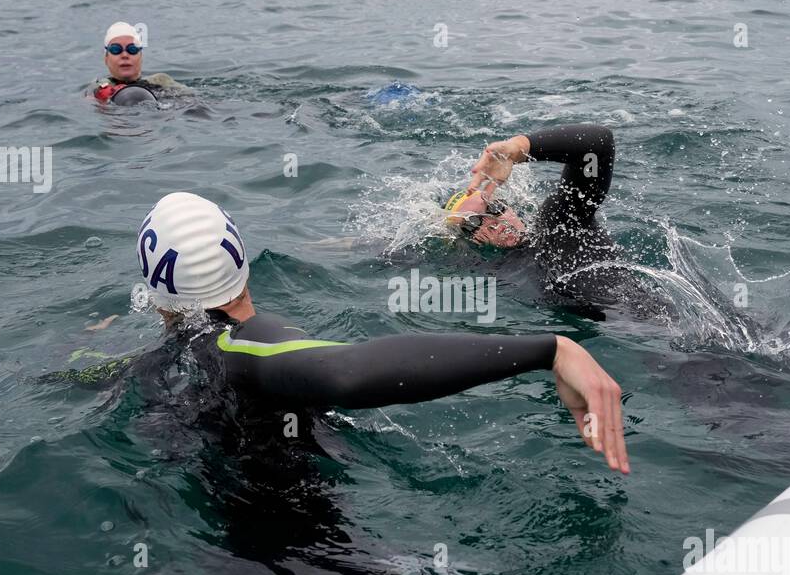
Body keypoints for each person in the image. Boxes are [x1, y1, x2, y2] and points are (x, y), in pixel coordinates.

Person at [136, 191, 630, 473]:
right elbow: (346, 375)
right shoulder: (242, 342)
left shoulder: (175, 359)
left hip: (238, 574)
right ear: (241, 259)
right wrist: (551, 350)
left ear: (156, 288)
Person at [441, 123, 672, 320]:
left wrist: (517, 149)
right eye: (473, 224)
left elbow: (598, 143)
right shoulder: (484, 272)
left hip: (664, 328)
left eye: (493, 208)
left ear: (509, 206)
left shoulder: (561, 223)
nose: (492, 222)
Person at [93, 21, 189, 103]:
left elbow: (192, 102)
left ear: (141, 57)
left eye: (132, 49)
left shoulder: (161, 81)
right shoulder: (97, 89)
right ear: (106, 59)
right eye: (115, 49)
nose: (125, 55)